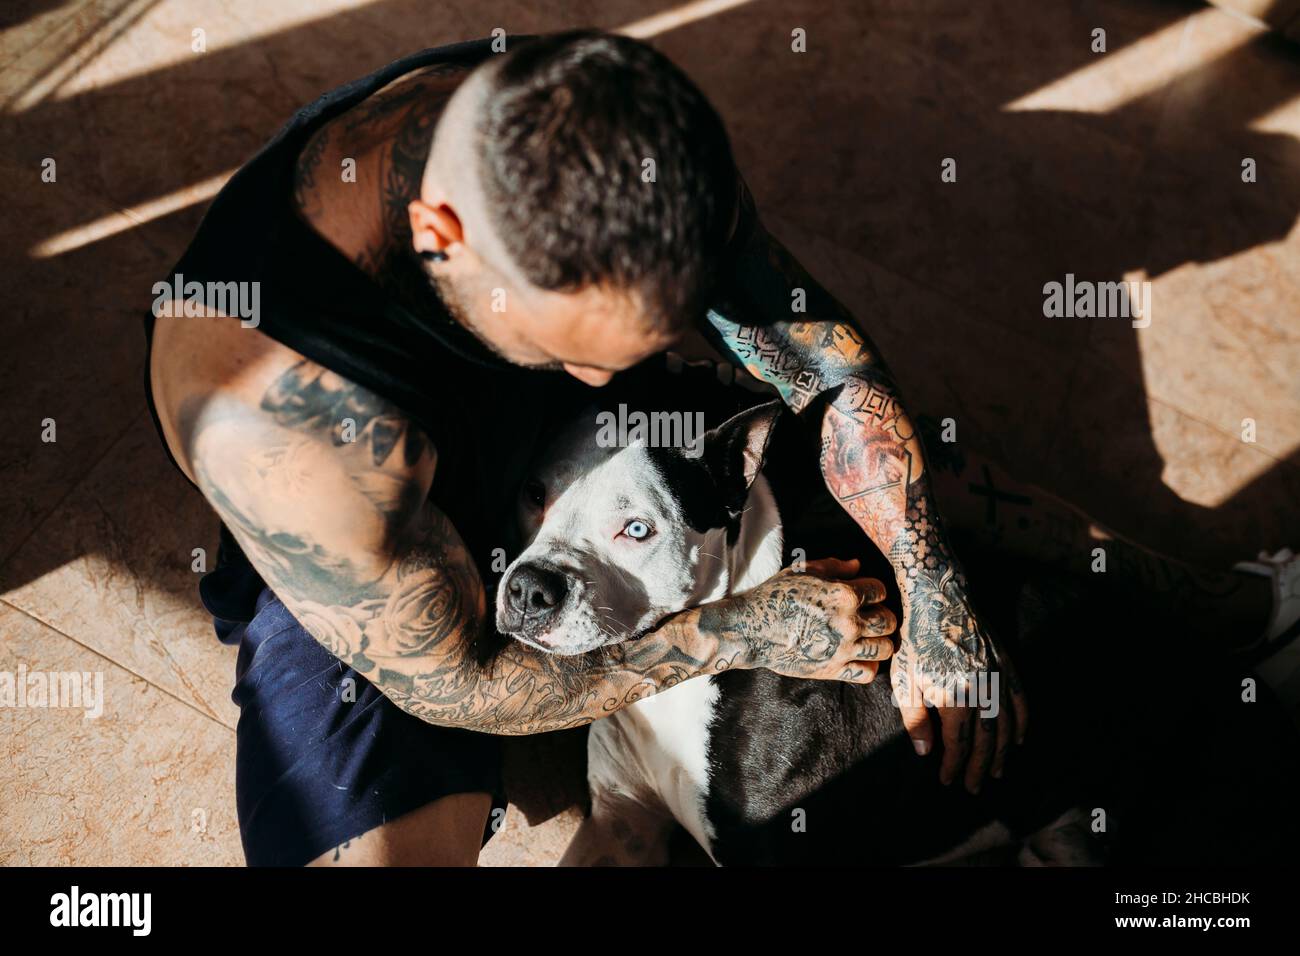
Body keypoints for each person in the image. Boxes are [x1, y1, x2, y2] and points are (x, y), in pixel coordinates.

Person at [144, 30, 1035, 866]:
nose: (601, 382)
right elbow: (463, 680)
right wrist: (737, 629)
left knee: (925, 484)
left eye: (642, 350)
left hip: (582, 471)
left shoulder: (617, 141)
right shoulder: (279, 424)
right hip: (388, 550)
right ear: (442, 239)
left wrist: (934, 591)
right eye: (571, 352)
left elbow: (815, 362)